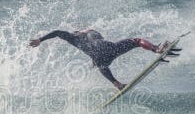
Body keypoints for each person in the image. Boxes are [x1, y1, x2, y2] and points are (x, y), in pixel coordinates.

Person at [29, 28, 179, 89]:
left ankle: (117, 84)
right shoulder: (92, 32)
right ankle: (156, 49)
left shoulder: (74, 38)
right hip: (110, 49)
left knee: (100, 64)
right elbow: (89, 34)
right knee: (136, 41)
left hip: (99, 56)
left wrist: (40, 40)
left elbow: (57, 32)